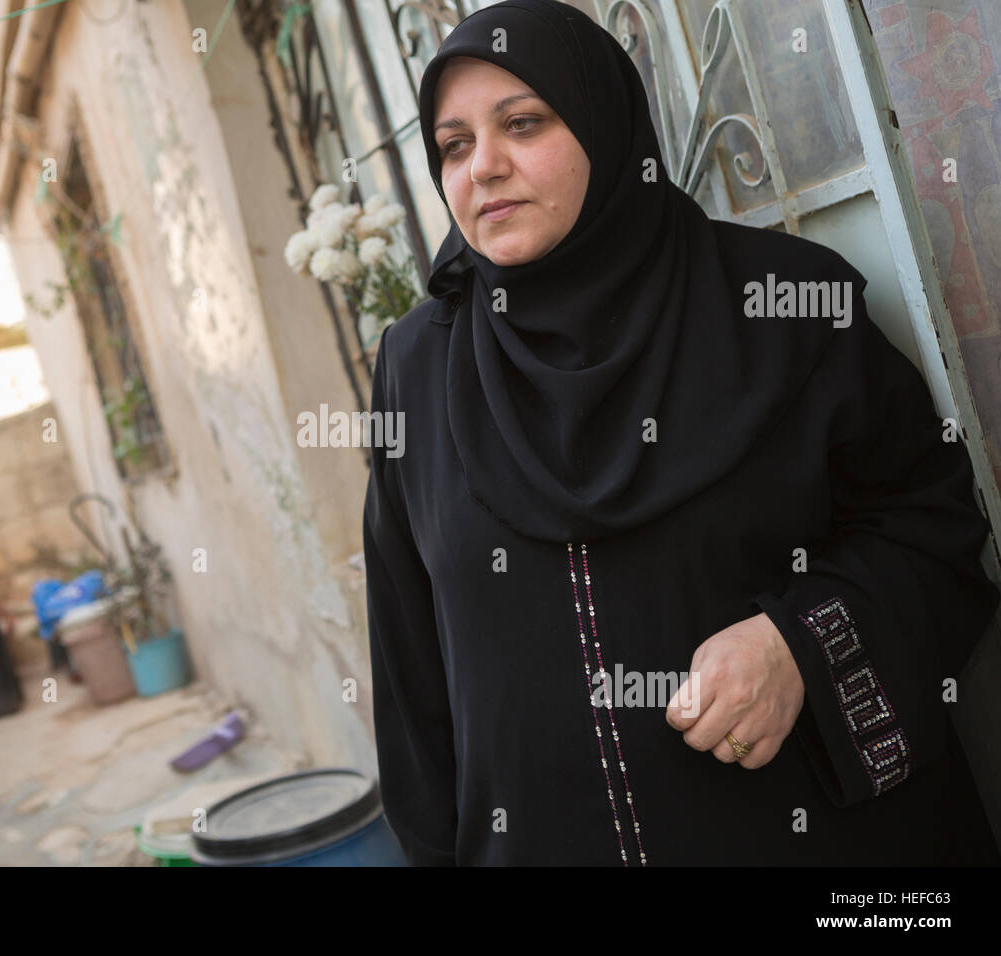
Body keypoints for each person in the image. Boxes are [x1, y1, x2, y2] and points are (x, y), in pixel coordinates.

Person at [362, 0, 1001, 865]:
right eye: (454, 144)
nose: (484, 166)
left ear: (604, 124)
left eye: (523, 123)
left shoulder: (783, 310)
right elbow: (409, 670)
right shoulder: (416, 367)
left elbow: (935, 531)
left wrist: (797, 646)